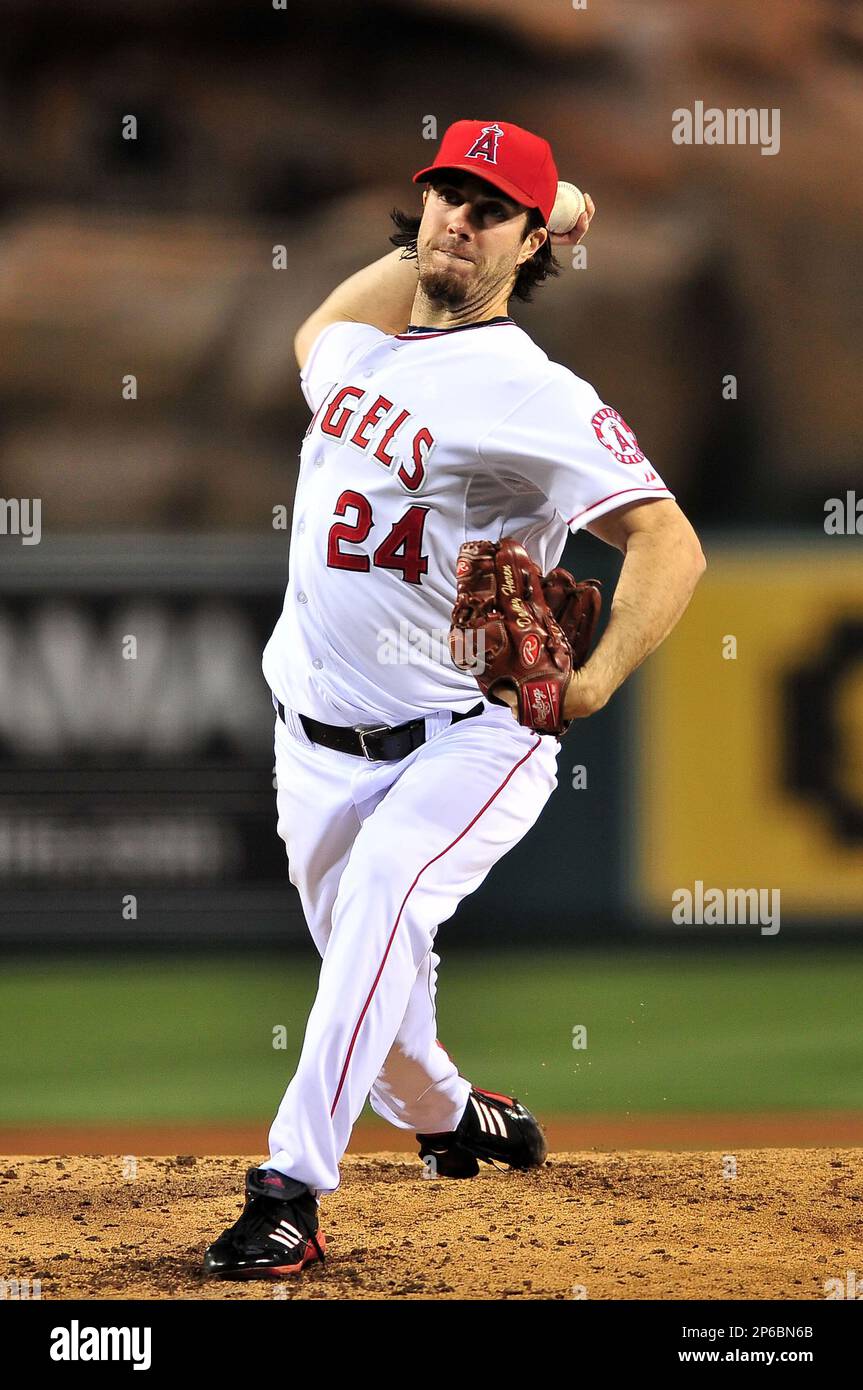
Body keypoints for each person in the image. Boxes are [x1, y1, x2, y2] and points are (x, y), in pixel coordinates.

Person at [203, 118, 705, 1279]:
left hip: (466, 740)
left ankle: (289, 1191)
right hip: (314, 743)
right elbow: (315, 328)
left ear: (528, 245)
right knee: (373, 997)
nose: (457, 222)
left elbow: (666, 543)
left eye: (490, 212)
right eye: (444, 197)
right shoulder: (360, 356)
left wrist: (587, 682)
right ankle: (450, 1112)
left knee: (384, 895)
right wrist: (534, 214)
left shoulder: (530, 394)